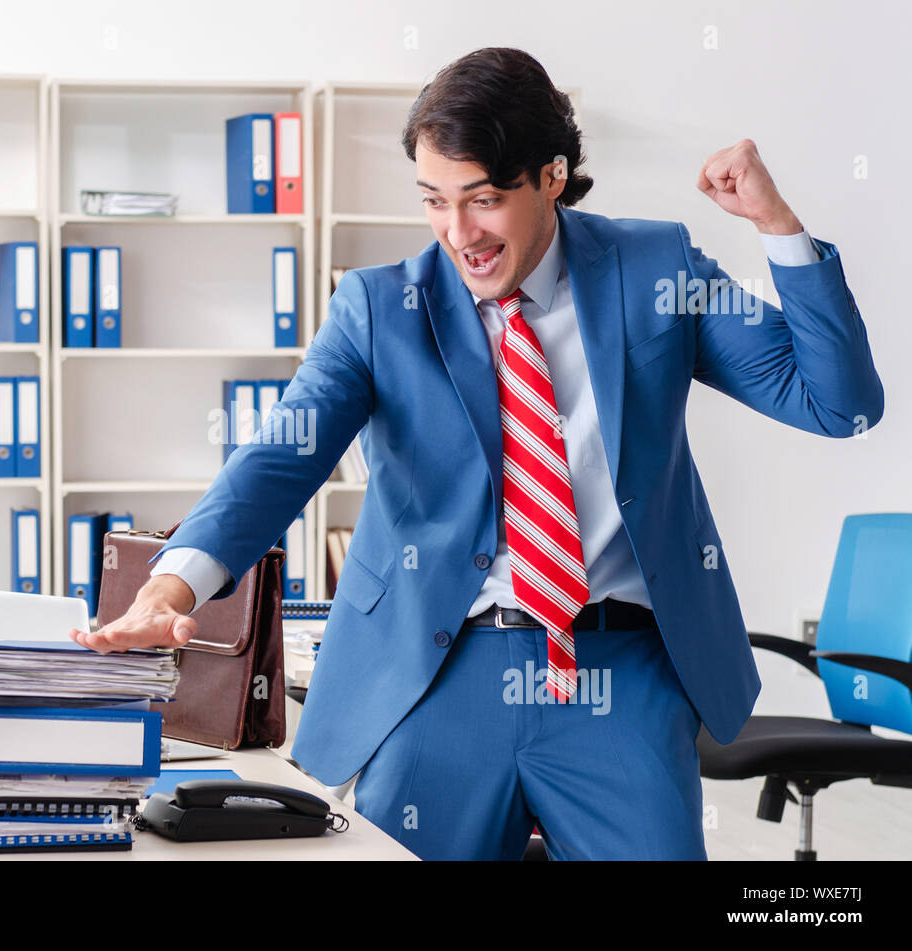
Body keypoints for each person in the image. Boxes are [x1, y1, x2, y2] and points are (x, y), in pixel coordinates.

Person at [69, 47, 883, 859]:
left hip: (618, 673)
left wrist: (779, 229)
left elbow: (837, 403)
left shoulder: (653, 267)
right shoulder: (381, 308)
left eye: (485, 199)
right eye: (434, 201)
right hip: (438, 673)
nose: (460, 233)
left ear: (552, 176)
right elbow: (283, 455)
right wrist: (171, 583)